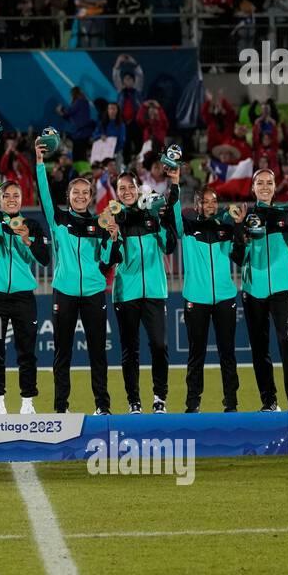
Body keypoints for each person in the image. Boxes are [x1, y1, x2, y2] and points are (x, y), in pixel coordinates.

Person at [36, 145, 120, 414]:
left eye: (85, 193)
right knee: (63, 353)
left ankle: (102, 406)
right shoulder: (58, 219)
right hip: (65, 291)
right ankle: (61, 408)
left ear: (91, 197)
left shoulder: (100, 224)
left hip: (95, 291)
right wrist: (40, 162)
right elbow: (44, 195)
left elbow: (107, 261)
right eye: (76, 192)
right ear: (68, 196)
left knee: (98, 352)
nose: (81, 196)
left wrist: (113, 238)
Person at [0, 135, 52, 415]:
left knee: (26, 350)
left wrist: (28, 240)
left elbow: (44, 259)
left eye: (15, 196)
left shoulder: (33, 225)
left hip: (22, 299)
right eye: (5, 196)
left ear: (22, 199)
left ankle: (28, 401)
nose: (10, 199)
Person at [231, 169, 288, 412]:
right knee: (260, 349)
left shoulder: (287, 212)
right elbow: (238, 258)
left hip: (284, 290)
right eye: (260, 183)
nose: (265, 186)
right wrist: (240, 232)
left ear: (275, 187)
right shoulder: (245, 215)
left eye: (269, 182)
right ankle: (269, 402)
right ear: (253, 188)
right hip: (253, 291)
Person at [166, 166, 239, 413]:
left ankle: (231, 403)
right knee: (196, 354)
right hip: (196, 298)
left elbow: (239, 257)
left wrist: (239, 228)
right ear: (196, 205)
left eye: (213, 201)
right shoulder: (187, 227)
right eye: (205, 201)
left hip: (225, 297)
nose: (210, 205)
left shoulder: (226, 228)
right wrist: (174, 182)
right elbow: (174, 211)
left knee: (227, 353)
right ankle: (192, 404)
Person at [110, 172, 177, 413]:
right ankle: (134, 401)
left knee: (159, 345)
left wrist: (159, 220)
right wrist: (113, 235)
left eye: (130, 186)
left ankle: (160, 398)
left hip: (154, 291)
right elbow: (110, 258)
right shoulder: (115, 218)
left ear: (138, 189)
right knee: (130, 350)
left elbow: (169, 247)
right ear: (117, 192)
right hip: (126, 292)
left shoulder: (151, 215)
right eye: (121, 187)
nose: (126, 191)